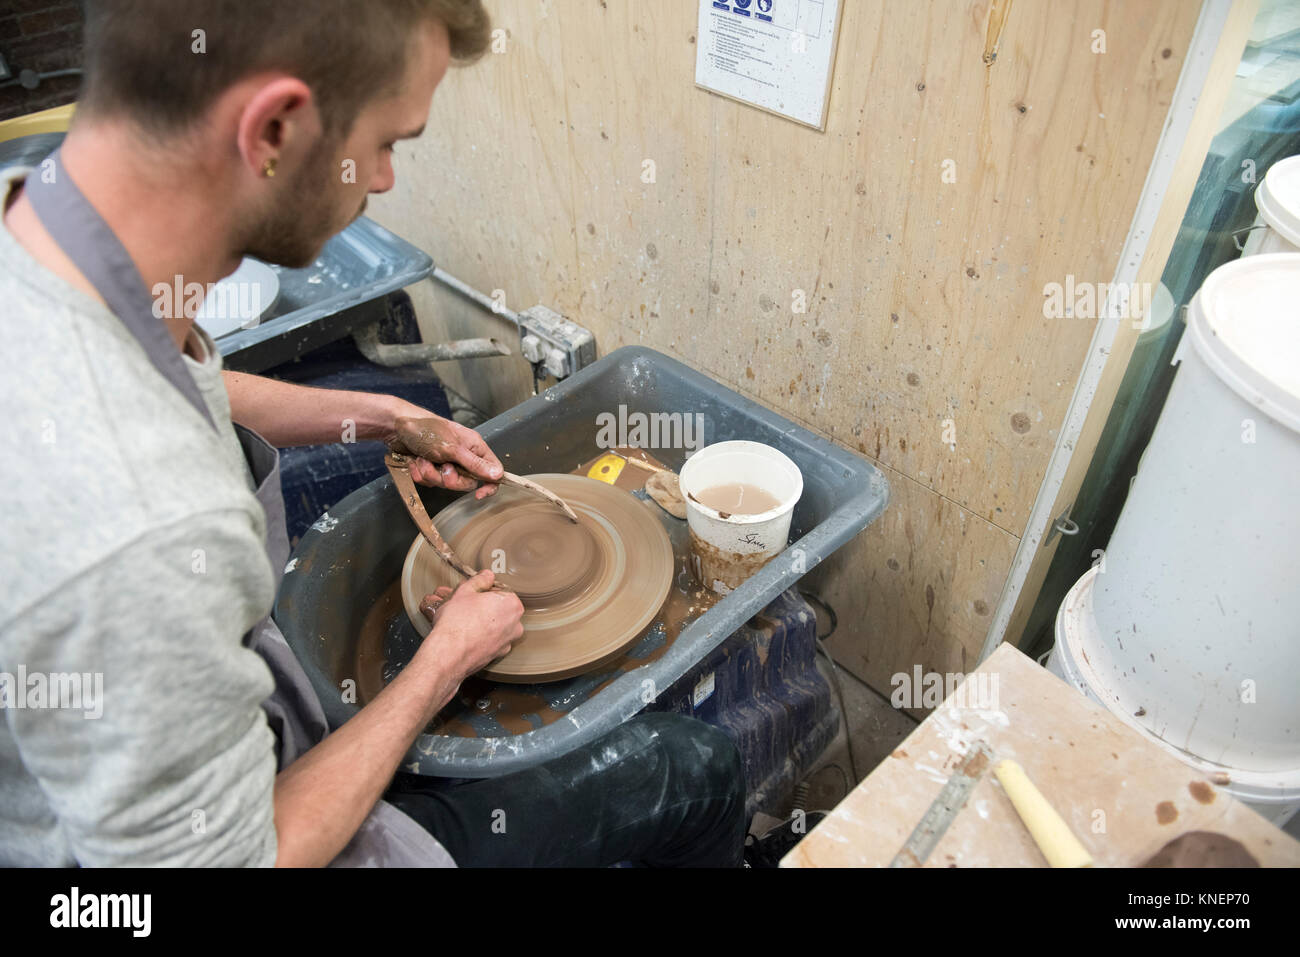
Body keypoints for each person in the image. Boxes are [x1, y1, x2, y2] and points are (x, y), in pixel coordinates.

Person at [0, 0, 744, 867]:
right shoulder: (144, 523)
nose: (386, 178)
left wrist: (395, 417)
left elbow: (198, 383)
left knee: (402, 391)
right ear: (274, 126)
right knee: (694, 769)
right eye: (389, 142)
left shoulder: (48, 241)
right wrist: (443, 665)